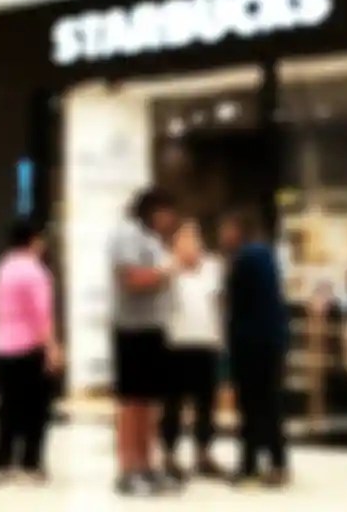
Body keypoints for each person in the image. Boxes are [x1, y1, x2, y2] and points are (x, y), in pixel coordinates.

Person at [110, 188, 179, 496]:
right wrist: (166, 271)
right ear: (153, 209)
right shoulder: (126, 235)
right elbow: (131, 279)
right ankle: (128, 468)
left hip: (153, 329)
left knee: (149, 402)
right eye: (167, 212)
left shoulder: (152, 239)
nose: (170, 220)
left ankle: (146, 465)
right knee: (132, 401)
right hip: (132, 330)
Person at [0, 218, 61, 483]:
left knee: (7, 407)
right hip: (29, 348)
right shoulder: (36, 271)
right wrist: (52, 348)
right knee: (36, 409)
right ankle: (30, 461)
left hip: (2, 346)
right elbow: (42, 316)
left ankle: (0, 460)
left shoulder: (2, 268)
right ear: (33, 240)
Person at [221, 211, 290, 488]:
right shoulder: (265, 255)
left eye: (227, 228)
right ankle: (276, 462)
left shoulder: (245, 259)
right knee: (269, 403)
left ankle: (250, 464)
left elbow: (235, 302)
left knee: (252, 405)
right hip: (269, 341)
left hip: (251, 343)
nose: (223, 235)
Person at [161, 221, 225, 481]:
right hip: (176, 345)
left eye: (194, 239)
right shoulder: (166, 267)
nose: (190, 245)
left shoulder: (213, 267)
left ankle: (203, 452)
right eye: (184, 240)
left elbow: (220, 301)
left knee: (206, 402)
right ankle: (168, 454)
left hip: (207, 343)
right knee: (173, 402)